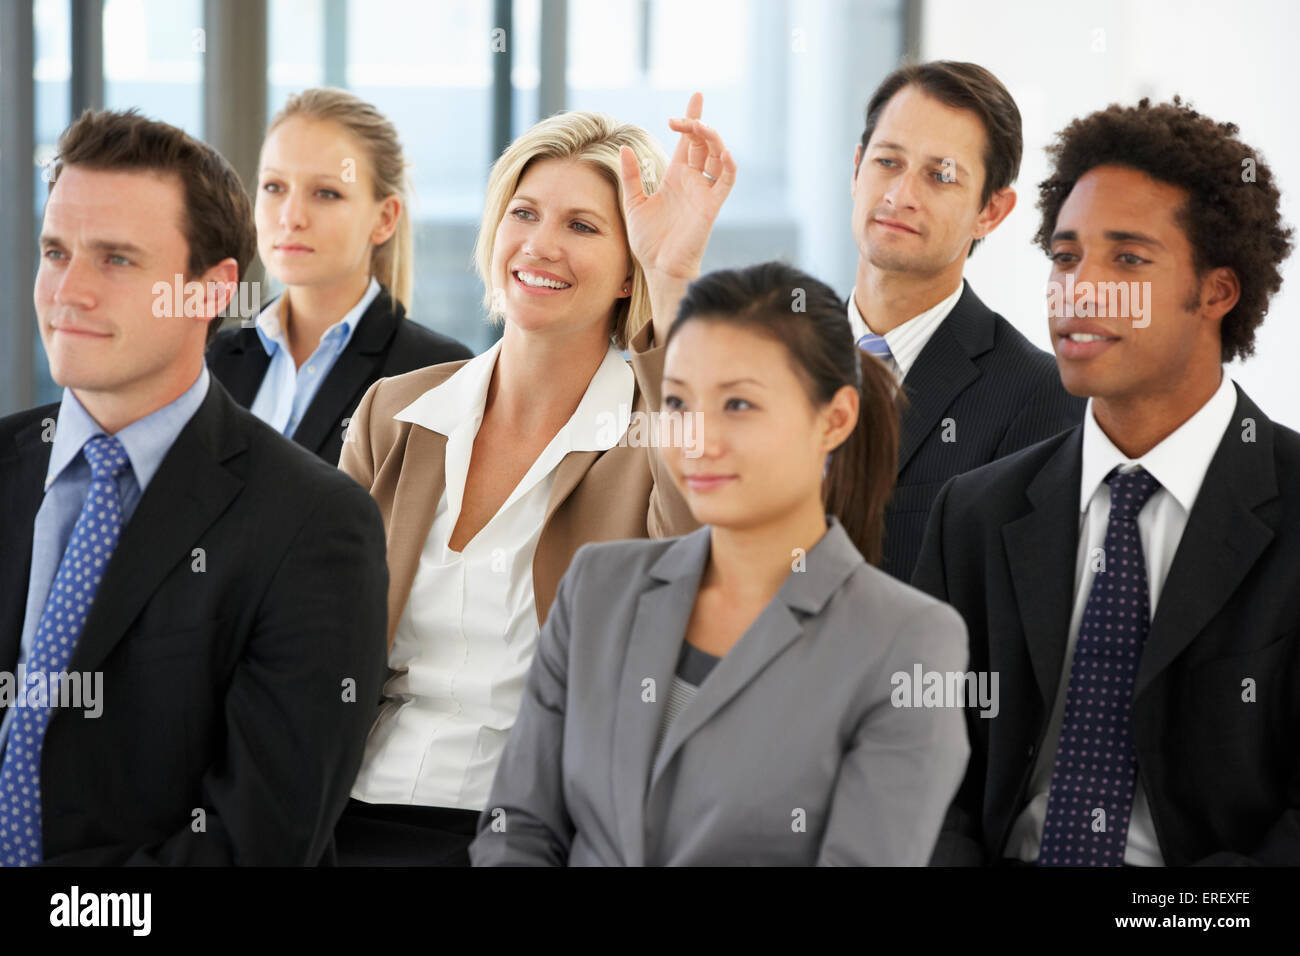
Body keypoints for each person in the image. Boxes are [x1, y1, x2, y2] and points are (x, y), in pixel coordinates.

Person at [333, 94, 734, 865]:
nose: (541, 245)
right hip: (356, 812)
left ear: (628, 273)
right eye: (524, 212)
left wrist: (675, 274)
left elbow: (704, 557)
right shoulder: (396, 412)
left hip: (540, 832)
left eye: (582, 226)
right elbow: (312, 622)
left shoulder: (656, 430)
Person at [470, 261, 970, 866]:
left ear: (835, 419)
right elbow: (517, 828)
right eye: (678, 402)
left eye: (738, 404)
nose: (698, 439)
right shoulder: (598, 587)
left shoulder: (908, 641)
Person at [915, 97, 1299, 866]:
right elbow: (919, 772)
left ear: (1218, 292)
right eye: (1064, 257)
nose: (1078, 290)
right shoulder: (975, 513)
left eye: (1127, 259)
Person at [0, 109, 388, 865]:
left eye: (116, 260)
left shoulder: (313, 524)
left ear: (209, 292)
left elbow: (260, 845)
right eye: (56, 252)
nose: (67, 292)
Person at [848, 61, 1085, 582]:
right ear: (858, 168)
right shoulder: (777, 355)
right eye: (888, 162)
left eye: (940, 175)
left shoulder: (1042, 399)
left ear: (992, 212)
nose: (900, 195)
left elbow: (1011, 625)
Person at [208, 88, 472, 466]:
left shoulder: (436, 374)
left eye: (326, 193)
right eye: (274, 187)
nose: (291, 216)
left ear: (384, 219)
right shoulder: (214, 358)